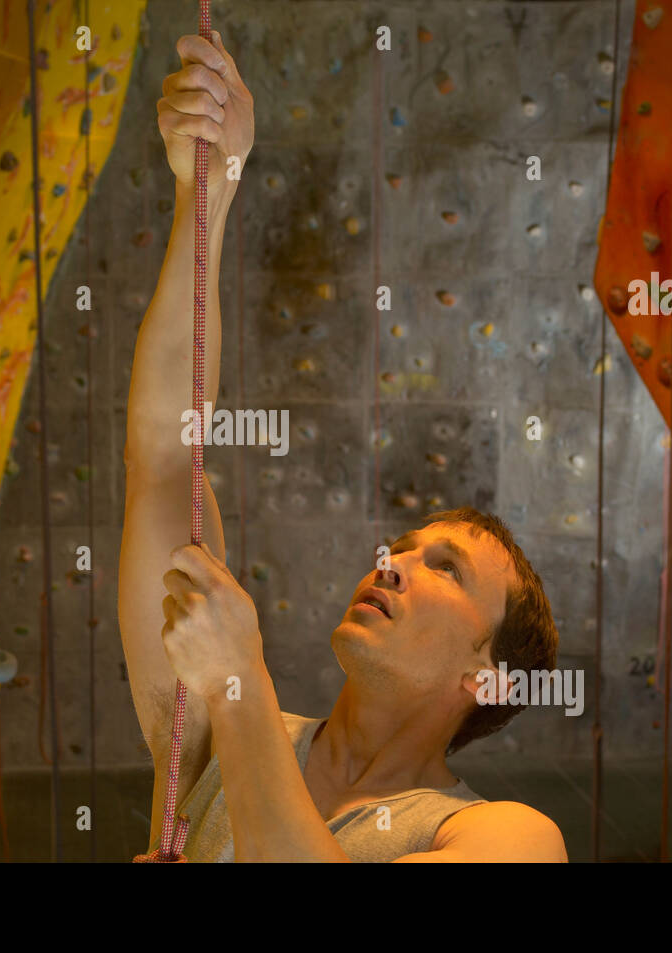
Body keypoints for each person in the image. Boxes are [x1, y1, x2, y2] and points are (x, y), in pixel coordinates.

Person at [118, 31, 567, 862]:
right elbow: (166, 449)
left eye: (445, 567)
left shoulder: (504, 837)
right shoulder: (212, 736)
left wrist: (239, 676)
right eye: (401, 544)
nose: (392, 561)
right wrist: (208, 194)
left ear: (490, 675)